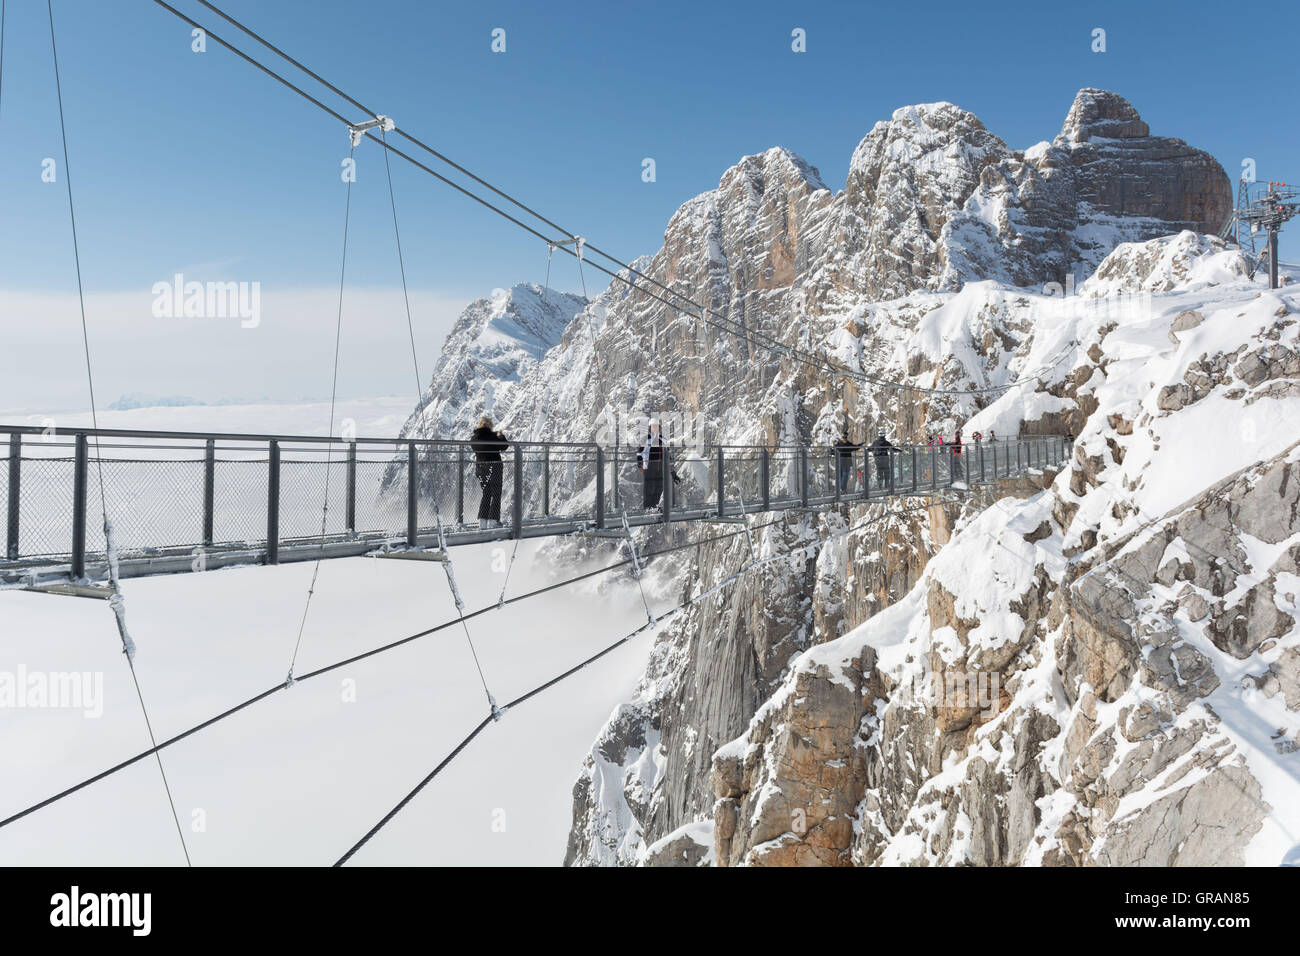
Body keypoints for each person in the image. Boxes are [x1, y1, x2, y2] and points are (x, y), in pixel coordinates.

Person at [470, 415, 509, 527]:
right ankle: (493, 521)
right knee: (496, 493)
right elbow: (504, 446)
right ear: (490, 426)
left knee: (486, 493)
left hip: (480, 468)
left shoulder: (474, 438)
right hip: (494, 467)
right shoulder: (492, 437)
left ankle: (482, 521)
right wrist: (501, 436)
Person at [638, 422, 677, 510]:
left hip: (660, 467)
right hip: (649, 467)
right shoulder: (646, 439)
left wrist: (671, 466)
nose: (655, 429)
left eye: (657, 427)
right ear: (650, 428)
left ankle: (654, 506)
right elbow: (640, 452)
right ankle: (647, 508)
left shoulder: (663, 439)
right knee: (649, 487)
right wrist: (640, 464)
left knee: (659, 487)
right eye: (653, 427)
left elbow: (668, 454)